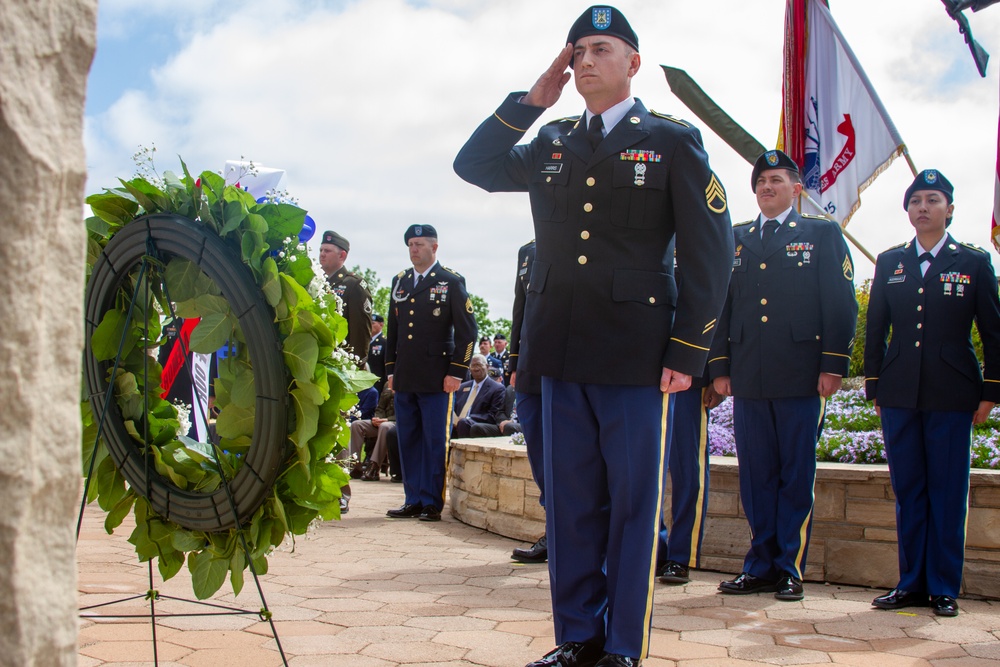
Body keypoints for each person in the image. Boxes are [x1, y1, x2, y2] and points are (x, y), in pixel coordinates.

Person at [454, 7, 734, 666]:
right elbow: (476, 165)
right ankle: (576, 635)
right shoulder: (551, 138)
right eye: (576, 50)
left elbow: (710, 252)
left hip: (636, 354)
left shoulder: (670, 140)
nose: (585, 61)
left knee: (634, 504)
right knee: (573, 504)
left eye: (601, 49)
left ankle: (622, 644)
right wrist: (531, 99)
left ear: (633, 63)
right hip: (558, 350)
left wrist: (688, 348)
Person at [709, 149, 858, 603]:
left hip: (800, 376)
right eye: (760, 182)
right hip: (749, 376)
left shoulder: (821, 234)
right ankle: (759, 565)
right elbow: (720, 306)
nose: (767, 187)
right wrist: (719, 367)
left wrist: (833, 363)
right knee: (756, 475)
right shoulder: (733, 239)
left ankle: (788, 567)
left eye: (776, 180)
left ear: (797, 189)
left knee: (796, 473)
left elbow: (840, 301)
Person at [865, 170, 1000, 617]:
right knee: (909, 490)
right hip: (900, 389)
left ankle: (943, 585)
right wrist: (874, 383)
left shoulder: (974, 263)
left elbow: (993, 332)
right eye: (916, 200)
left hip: (952, 391)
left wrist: (990, 390)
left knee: (946, 490)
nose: (923, 207)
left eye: (933, 199)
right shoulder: (890, 262)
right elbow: (877, 330)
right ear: (908, 211)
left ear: (950, 209)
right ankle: (909, 583)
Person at [385, 224, 478, 522]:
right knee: (408, 437)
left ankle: (431, 502)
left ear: (434, 247)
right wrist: (390, 370)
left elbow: (467, 333)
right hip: (406, 374)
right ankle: (412, 498)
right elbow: (393, 330)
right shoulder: (399, 282)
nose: (414, 249)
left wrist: (456, 371)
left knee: (433, 439)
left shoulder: (450, 281)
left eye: (420, 244)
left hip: (438, 376)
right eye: (410, 244)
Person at [656, 371, 722, 585]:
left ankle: (680, 556)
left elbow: (715, 335)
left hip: (689, 378)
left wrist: (718, 375)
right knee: (641, 470)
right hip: (642, 374)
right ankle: (653, 550)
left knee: (687, 471)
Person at [509, 239, 548, 564]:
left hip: (566, 366)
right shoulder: (528, 250)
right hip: (529, 369)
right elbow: (519, 309)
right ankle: (555, 530)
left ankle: (569, 535)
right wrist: (513, 363)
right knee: (539, 454)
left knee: (567, 457)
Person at [319, 230, 374, 365]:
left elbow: (360, 331)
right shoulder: (316, 282)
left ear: (342, 255)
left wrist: (355, 364)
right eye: (321, 250)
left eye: (327, 251)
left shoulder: (354, 285)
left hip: (341, 362)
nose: (322, 254)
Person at [349, 386, 397, 482]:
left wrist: (387, 420)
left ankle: (374, 466)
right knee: (356, 425)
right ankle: (355, 465)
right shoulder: (388, 385)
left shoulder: (407, 386)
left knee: (384, 426)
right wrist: (377, 418)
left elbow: (406, 412)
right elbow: (380, 408)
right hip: (382, 421)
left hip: (396, 423)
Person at [452, 354, 507, 438]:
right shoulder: (462, 387)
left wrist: (468, 418)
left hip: (477, 423)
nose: (476, 368)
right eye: (473, 365)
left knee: (463, 423)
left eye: (479, 365)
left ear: (487, 367)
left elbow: (493, 415)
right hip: (458, 422)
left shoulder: (497, 388)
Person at [369, 313, 387, 393]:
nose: (370, 325)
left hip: (378, 384)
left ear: (381, 324)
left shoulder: (385, 342)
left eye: (373, 323)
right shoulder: (364, 341)